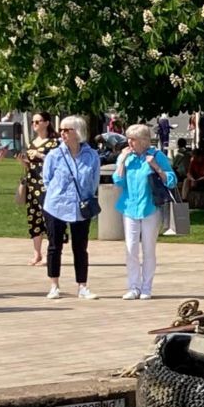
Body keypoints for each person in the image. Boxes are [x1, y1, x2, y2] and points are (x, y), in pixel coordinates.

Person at [113, 124, 176, 299]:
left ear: (144, 141)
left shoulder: (156, 155)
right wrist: (122, 162)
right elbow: (117, 181)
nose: (129, 142)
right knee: (131, 248)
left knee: (148, 249)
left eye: (133, 139)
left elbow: (172, 180)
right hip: (129, 207)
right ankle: (133, 286)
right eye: (128, 139)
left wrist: (156, 167)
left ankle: (147, 287)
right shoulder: (126, 157)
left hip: (150, 208)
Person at [41, 114, 101, 299]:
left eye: (67, 130)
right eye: (61, 130)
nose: (63, 134)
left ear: (78, 132)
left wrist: (85, 196)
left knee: (80, 247)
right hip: (56, 205)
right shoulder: (54, 154)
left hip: (81, 206)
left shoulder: (91, 155)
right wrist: (56, 195)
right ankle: (54, 285)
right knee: (54, 246)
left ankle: (82, 286)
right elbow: (47, 179)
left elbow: (94, 180)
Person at [21, 112, 60, 265]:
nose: (35, 124)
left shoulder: (54, 142)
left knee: (49, 218)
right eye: (33, 122)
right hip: (32, 183)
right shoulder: (32, 142)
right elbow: (31, 164)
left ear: (47, 123)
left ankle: (51, 251)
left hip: (47, 185)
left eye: (38, 121)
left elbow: (57, 161)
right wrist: (23, 161)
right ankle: (37, 253)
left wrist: (39, 154)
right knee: (34, 217)